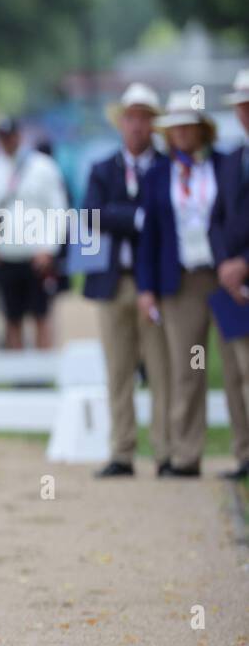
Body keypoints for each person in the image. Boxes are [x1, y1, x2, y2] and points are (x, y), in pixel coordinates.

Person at [82, 83, 172, 478]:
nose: (137, 126)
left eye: (144, 118)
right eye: (131, 118)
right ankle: (122, 450)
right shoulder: (103, 169)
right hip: (114, 280)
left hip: (153, 284)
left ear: (153, 124)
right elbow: (92, 215)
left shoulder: (167, 168)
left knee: (160, 368)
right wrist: (136, 218)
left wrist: (121, 216)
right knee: (117, 369)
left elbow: (165, 221)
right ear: (122, 123)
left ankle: (167, 450)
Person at [136, 90, 225, 477]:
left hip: (221, 277)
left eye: (188, 126)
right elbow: (149, 236)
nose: (182, 134)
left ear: (202, 130)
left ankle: (243, 450)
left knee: (240, 367)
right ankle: (185, 453)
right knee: (189, 366)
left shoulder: (224, 167)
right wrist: (146, 286)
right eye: (175, 128)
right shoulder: (158, 176)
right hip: (181, 282)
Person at [0, 117, 67, 349]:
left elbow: (58, 210)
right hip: (8, 255)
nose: (8, 141)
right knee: (12, 318)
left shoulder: (43, 167)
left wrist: (49, 249)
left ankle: (42, 376)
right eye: (3, 137)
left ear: (19, 136)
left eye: (10, 136)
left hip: (36, 253)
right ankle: (20, 378)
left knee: (41, 316)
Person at [211, 68, 249, 480]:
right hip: (232, 280)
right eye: (242, 107)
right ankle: (244, 453)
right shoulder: (232, 160)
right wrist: (226, 264)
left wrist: (244, 263)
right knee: (236, 373)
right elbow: (216, 219)